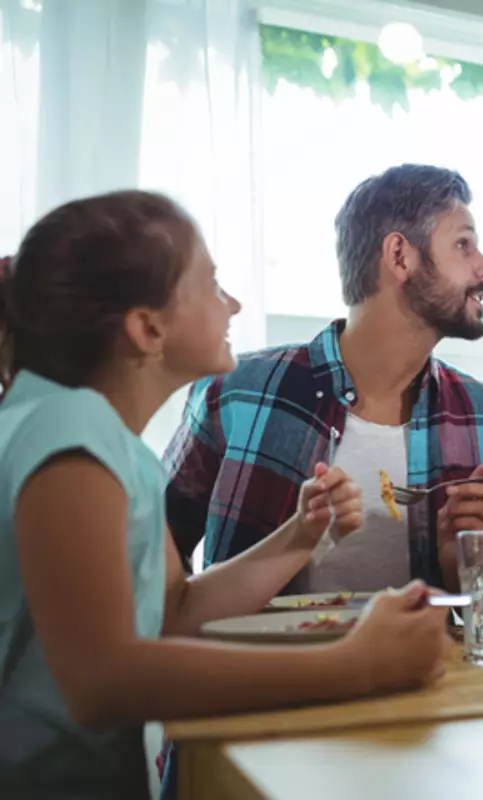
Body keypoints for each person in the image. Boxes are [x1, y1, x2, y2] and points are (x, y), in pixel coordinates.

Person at [0, 191, 452, 798]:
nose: (233, 301)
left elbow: (176, 613)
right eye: (211, 285)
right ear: (148, 327)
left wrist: (299, 536)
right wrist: (354, 664)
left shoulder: (101, 439)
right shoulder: (70, 434)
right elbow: (100, 678)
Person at [164, 164, 483, 594]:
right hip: (260, 663)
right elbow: (148, 565)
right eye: (463, 244)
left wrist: (467, 565)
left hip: (427, 663)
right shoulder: (236, 392)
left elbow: (482, 608)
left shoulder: (479, 412)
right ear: (400, 256)